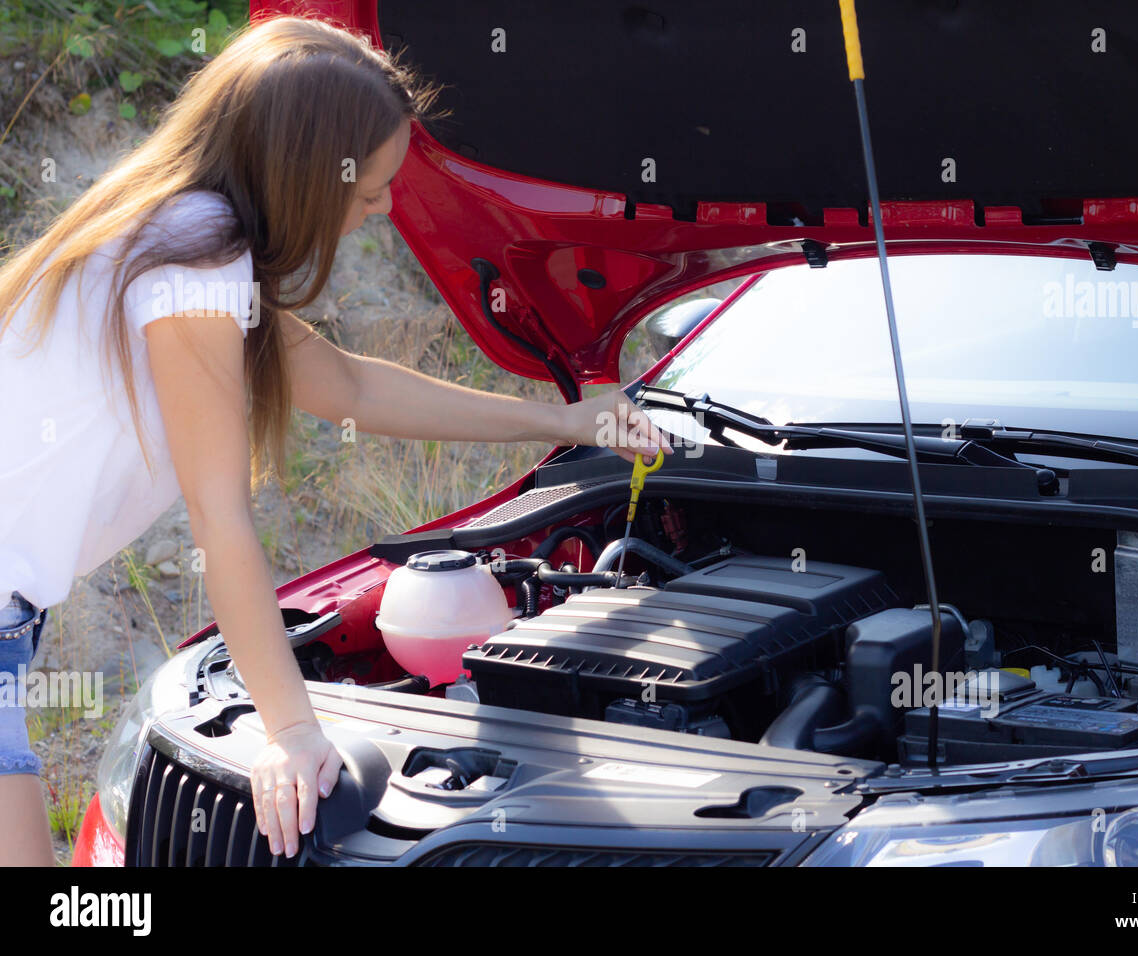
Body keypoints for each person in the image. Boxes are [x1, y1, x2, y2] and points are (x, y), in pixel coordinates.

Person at [0, 15, 671, 866]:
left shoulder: (184, 235)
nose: (386, 206)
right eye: (368, 189)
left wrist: (567, 421)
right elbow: (219, 514)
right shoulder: (194, 258)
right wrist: (289, 731)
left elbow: (350, 387)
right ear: (305, 173)